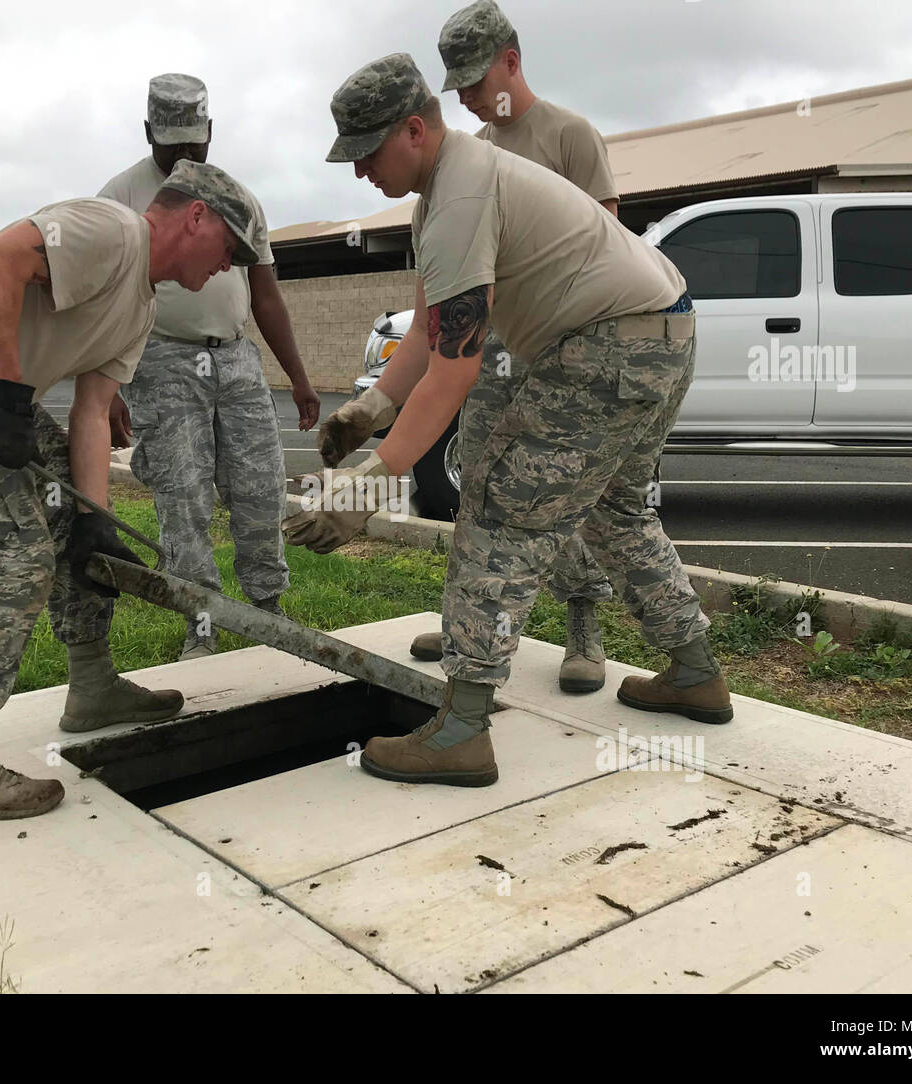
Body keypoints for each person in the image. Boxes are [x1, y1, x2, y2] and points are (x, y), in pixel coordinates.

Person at [286, 54, 731, 789]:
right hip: (660, 336)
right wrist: (372, 409)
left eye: (367, 153)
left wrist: (368, 488)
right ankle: (694, 670)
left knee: (498, 508)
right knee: (615, 513)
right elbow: (434, 332)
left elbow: (458, 371)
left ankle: (461, 729)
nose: (360, 172)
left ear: (415, 130)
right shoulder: (447, 190)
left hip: (609, 347)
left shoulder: (460, 194)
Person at [0, 160, 263, 819]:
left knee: (74, 529)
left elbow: (93, 414)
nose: (229, 267)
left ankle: (92, 686)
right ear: (197, 217)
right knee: (16, 552)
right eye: (232, 250)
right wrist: (12, 397)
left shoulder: (142, 310)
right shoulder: (111, 229)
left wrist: (96, 518)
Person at [324, 0, 623, 694]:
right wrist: (373, 406)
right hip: (487, 355)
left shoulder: (569, 137)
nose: (463, 94)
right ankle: (474, 625)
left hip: (559, 352)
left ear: (511, 63)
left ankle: (584, 622)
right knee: (476, 492)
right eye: (453, 82)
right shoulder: (466, 154)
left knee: (564, 494)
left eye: (472, 77)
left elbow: (605, 248)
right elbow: (437, 309)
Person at [99, 73, 319, 660]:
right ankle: (200, 622)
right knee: (183, 495)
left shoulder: (236, 198)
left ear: (211, 134)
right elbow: (104, 300)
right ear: (148, 133)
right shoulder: (120, 198)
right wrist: (109, 388)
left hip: (236, 358)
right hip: (160, 360)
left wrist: (296, 377)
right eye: (171, 145)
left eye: (194, 145)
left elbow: (266, 293)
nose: (183, 156)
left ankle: (266, 611)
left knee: (260, 490)